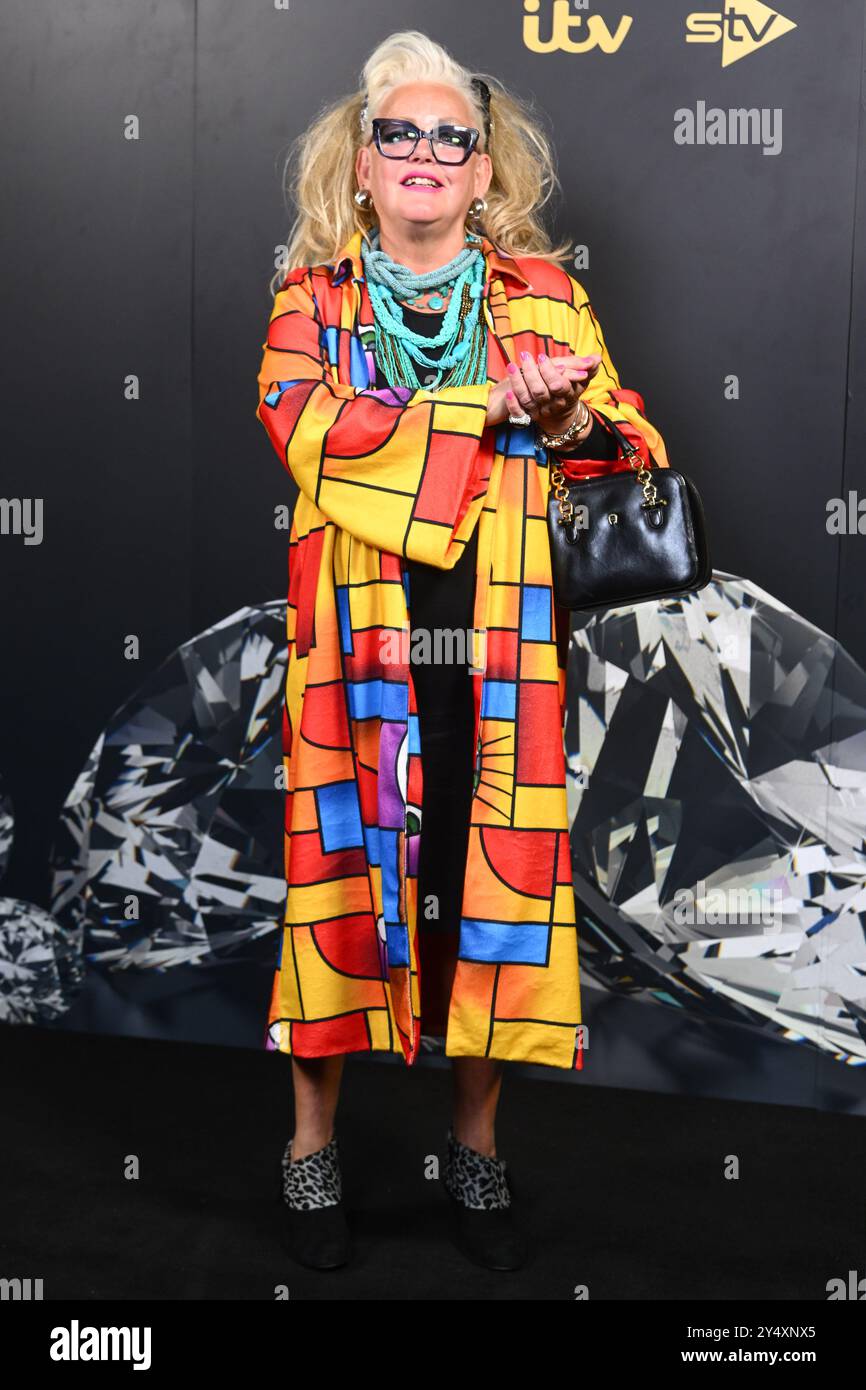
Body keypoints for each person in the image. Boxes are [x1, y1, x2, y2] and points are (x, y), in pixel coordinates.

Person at [255, 29, 669, 1274]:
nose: (426, 154)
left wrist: (573, 414)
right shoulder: (310, 300)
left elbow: (631, 451)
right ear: (363, 163)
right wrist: (473, 411)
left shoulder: (542, 292)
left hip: (497, 644)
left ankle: (476, 1147)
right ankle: (309, 1144)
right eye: (401, 135)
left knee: (489, 891)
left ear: (482, 172)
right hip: (356, 646)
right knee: (338, 883)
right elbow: (306, 427)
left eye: (452, 138)